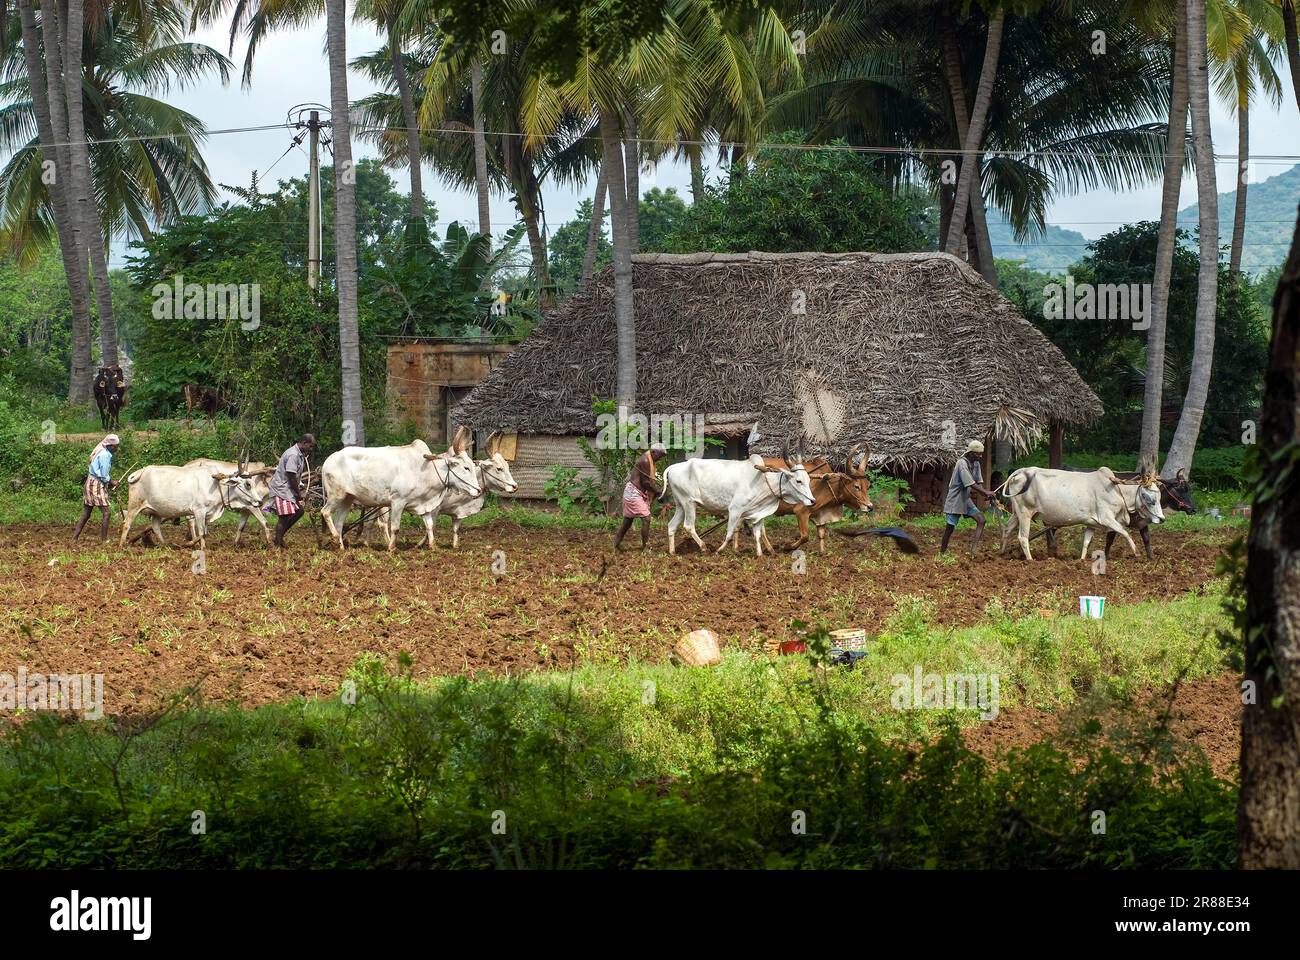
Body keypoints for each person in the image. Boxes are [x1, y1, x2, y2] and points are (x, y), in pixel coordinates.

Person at [939, 440, 997, 556]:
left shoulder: (976, 464)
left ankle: (973, 550)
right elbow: (970, 483)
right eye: (978, 454)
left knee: (981, 520)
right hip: (955, 499)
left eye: (981, 454)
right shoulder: (962, 463)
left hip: (966, 499)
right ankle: (942, 553)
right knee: (950, 528)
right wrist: (986, 492)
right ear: (970, 453)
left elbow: (978, 482)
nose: (980, 456)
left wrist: (984, 494)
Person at [613, 443, 667, 551]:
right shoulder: (645, 461)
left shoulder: (648, 458)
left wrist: (656, 491)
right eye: (659, 456)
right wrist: (657, 491)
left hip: (633, 492)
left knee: (627, 521)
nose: (659, 459)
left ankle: (615, 545)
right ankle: (645, 547)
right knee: (646, 518)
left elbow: (647, 482)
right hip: (634, 493)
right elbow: (646, 482)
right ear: (653, 452)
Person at [269, 433, 316, 548]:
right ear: (304, 443)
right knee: (284, 517)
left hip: (287, 488)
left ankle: (278, 538)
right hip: (282, 488)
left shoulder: (299, 455)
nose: (311, 449)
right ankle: (278, 544)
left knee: (299, 512)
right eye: (310, 446)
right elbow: (291, 476)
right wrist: (299, 494)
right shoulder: (293, 455)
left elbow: (295, 476)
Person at [73, 433, 119, 543]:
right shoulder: (105, 455)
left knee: (86, 513)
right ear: (111, 446)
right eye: (116, 446)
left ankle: (74, 539)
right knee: (106, 513)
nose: (117, 448)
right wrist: (112, 482)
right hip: (96, 485)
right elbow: (103, 475)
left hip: (90, 482)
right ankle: (104, 540)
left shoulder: (101, 450)